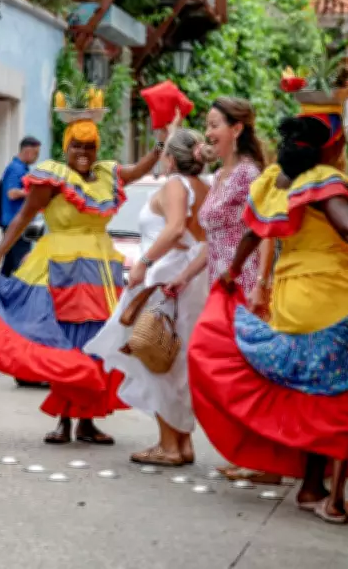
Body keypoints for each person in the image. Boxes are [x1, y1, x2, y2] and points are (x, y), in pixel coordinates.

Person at [189, 85, 348, 523]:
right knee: (339, 395)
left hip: (292, 300)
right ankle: (320, 493)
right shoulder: (324, 182)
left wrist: (232, 271)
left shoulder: (274, 182)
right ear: (332, 145)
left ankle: (317, 488)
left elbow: (252, 233)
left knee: (316, 392)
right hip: (332, 295)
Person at [0, 87, 166, 445]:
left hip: (100, 272)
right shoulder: (52, 178)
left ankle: (89, 421)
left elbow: (140, 169)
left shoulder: (108, 174)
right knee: (64, 343)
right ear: (66, 146)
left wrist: (160, 143)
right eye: (77, 146)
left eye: (89, 146)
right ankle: (64, 418)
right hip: (58, 269)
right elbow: (22, 217)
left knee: (98, 341)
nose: (83, 153)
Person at [166, 97, 279, 484]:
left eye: (215, 124)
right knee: (230, 370)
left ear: (237, 129)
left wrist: (261, 285)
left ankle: (266, 460)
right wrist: (184, 275)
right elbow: (213, 241)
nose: (209, 132)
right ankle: (250, 451)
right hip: (220, 280)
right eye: (207, 124)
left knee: (247, 372)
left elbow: (263, 232)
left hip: (244, 282)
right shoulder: (221, 177)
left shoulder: (249, 174)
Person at [85, 128, 209, 466]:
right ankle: (181, 443)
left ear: (170, 158)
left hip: (165, 278)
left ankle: (169, 445)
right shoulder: (204, 186)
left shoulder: (174, 185)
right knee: (175, 358)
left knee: (156, 355)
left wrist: (144, 262)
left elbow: (174, 229)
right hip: (190, 277)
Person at [0, 136, 41, 276]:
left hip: (19, 224)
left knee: (9, 264)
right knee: (23, 264)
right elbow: (11, 193)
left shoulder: (22, 168)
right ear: (28, 151)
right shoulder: (15, 168)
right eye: (36, 154)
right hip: (16, 224)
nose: (36, 158)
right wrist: (31, 192)